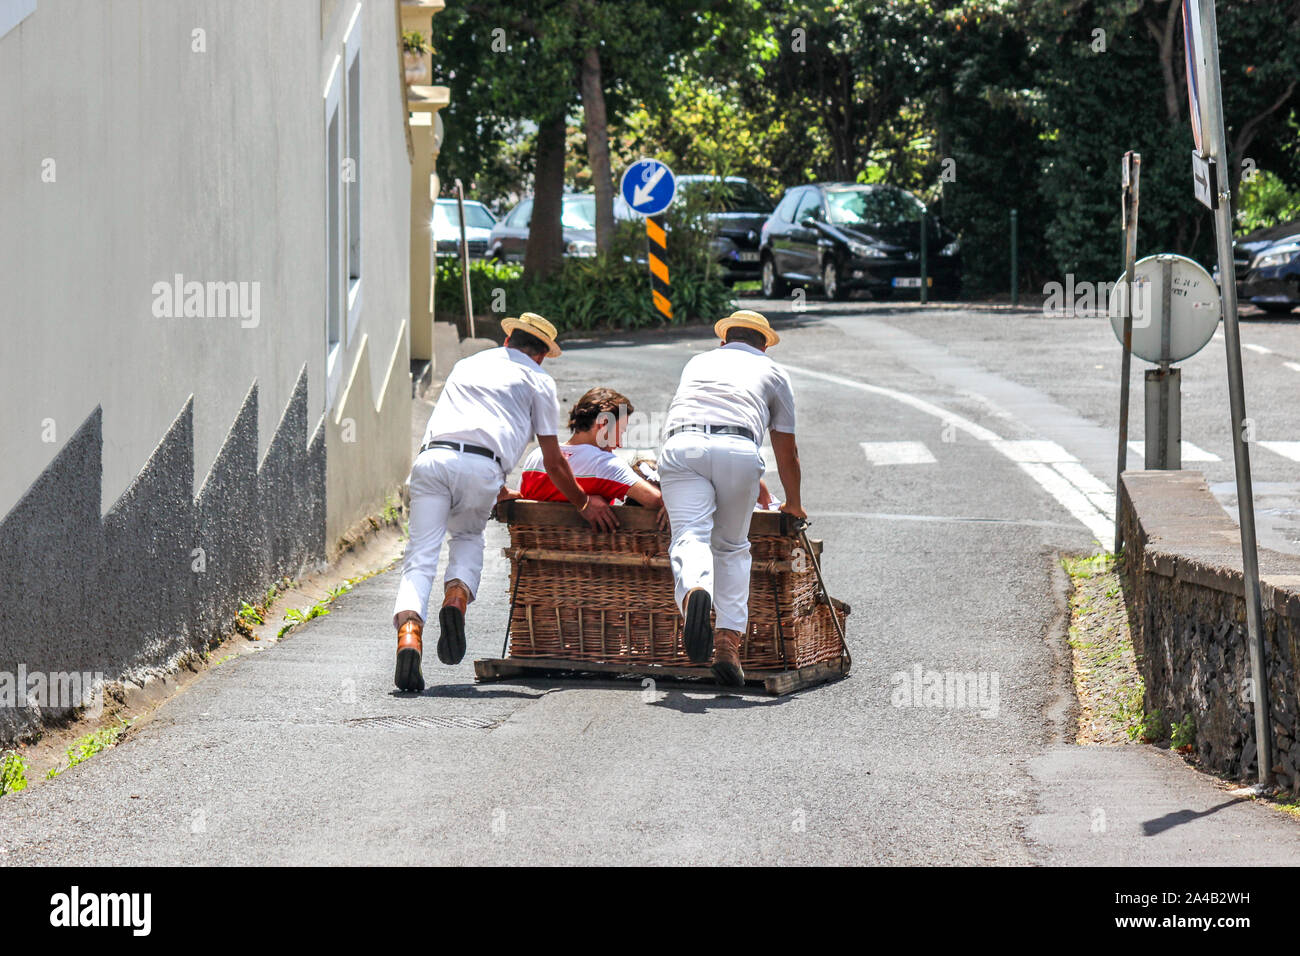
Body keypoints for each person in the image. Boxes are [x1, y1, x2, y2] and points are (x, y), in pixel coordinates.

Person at [392, 313, 617, 692]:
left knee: (420, 556)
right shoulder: (539, 381)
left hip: (433, 458)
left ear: (508, 338)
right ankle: (456, 599)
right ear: (543, 355)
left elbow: (456, 421)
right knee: (466, 538)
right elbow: (554, 460)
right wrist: (581, 502)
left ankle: (410, 635)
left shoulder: (467, 364)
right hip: (483, 469)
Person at [658, 309, 804, 686]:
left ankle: (694, 593)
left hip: (683, 444)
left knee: (690, 534)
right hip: (738, 448)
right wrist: (793, 502)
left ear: (724, 340)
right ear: (764, 346)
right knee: (732, 546)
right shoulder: (773, 372)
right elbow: (786, 449)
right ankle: (727, 644)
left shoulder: (698, 361)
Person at [513, 387, 667, 521]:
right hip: (588, 551)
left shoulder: (537, 455)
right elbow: (658, 500)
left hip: (532, 547)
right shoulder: (605, 464)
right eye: (619, 433)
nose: (619, 444)